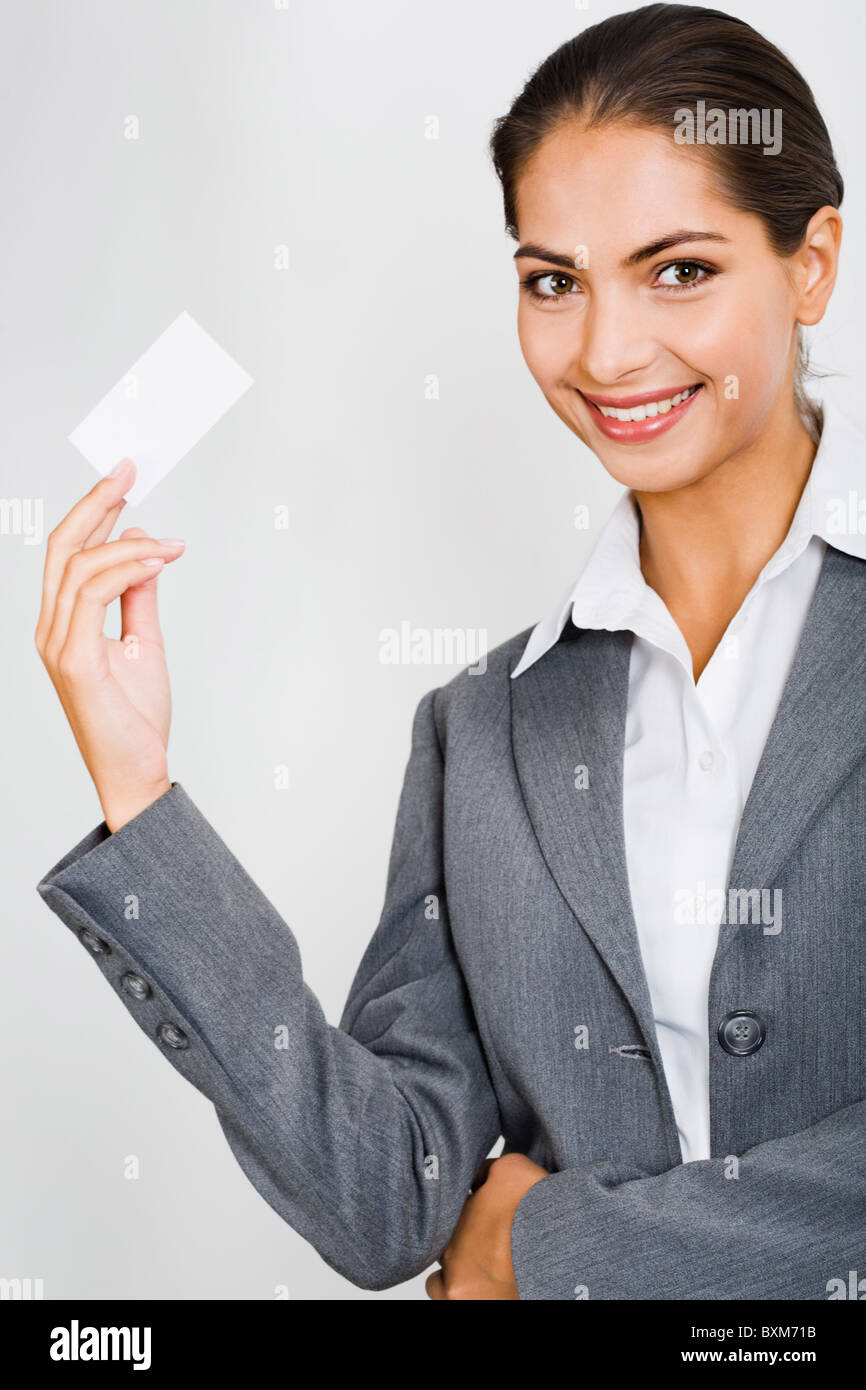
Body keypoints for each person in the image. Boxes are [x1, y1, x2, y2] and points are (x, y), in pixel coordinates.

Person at [35, 4, 865, 1300]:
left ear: (809, 260)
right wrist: (137, 786)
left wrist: (545, 1246)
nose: (603, 349)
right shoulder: (480, 730)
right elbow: (383, 1197)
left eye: (678, 269)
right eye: (553, 281)